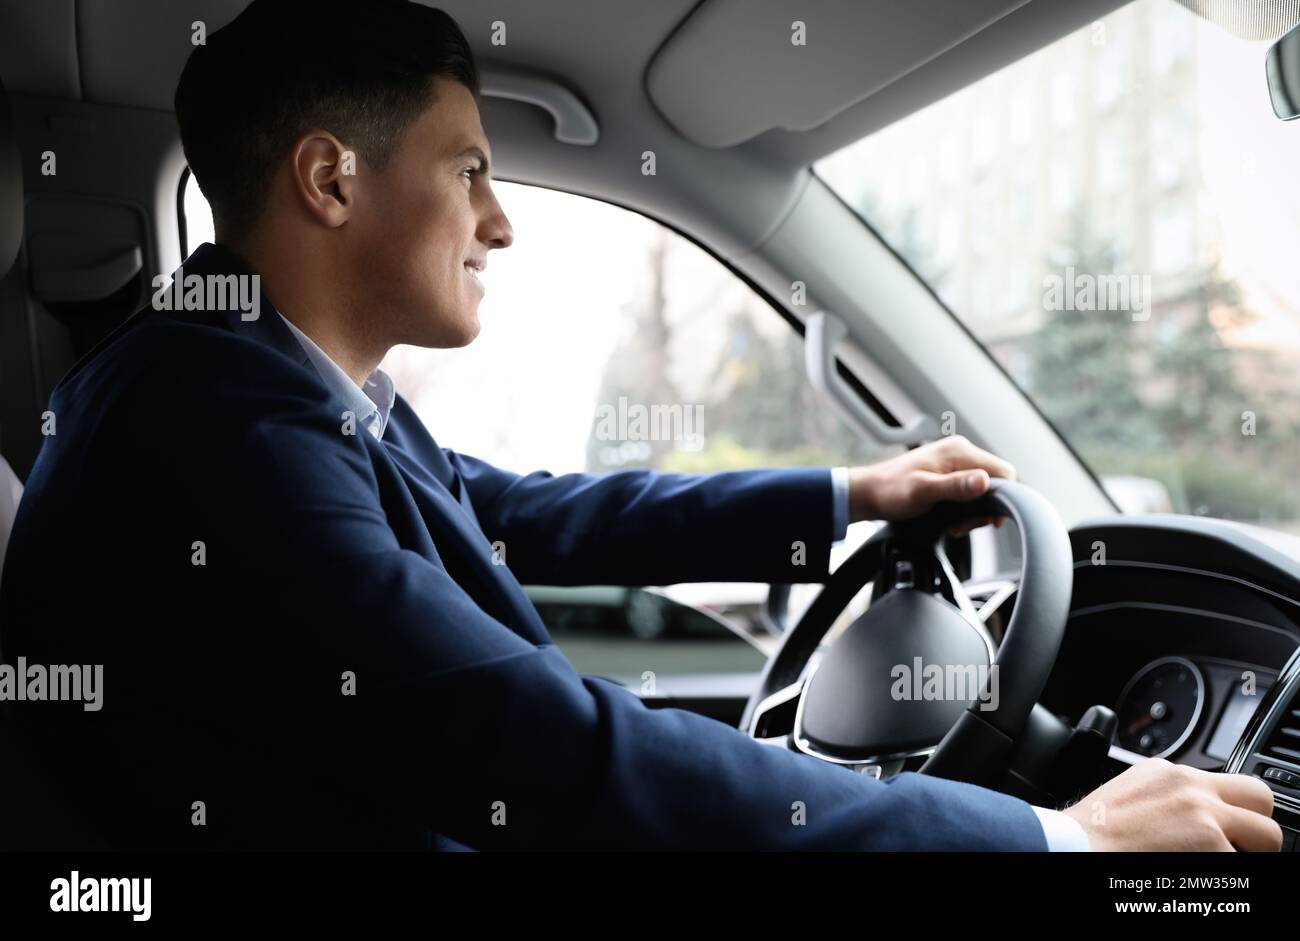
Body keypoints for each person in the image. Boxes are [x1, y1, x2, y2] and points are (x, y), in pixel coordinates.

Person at [0, 0, 1280, 852]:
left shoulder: (255, 377)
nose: (498, 221)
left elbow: (515, 510)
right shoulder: (218, 426)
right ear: (332, 179)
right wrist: (1067, 836)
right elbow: (545, 744)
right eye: (470, 170)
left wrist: (848, 494)